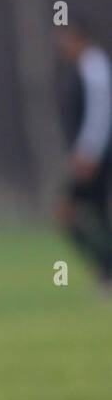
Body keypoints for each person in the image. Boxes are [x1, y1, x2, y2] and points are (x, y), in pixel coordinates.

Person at [54, 16, 112, 291]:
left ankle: (106, 269)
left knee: (68, 213)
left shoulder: (94, 67)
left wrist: (87, 152)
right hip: (93, 154)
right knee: (95, 214)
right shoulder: (85, 67)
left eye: (65, 37)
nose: (61, 44)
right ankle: (105, 271)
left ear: (79, 38)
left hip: (97, 155)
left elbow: (99, 114)